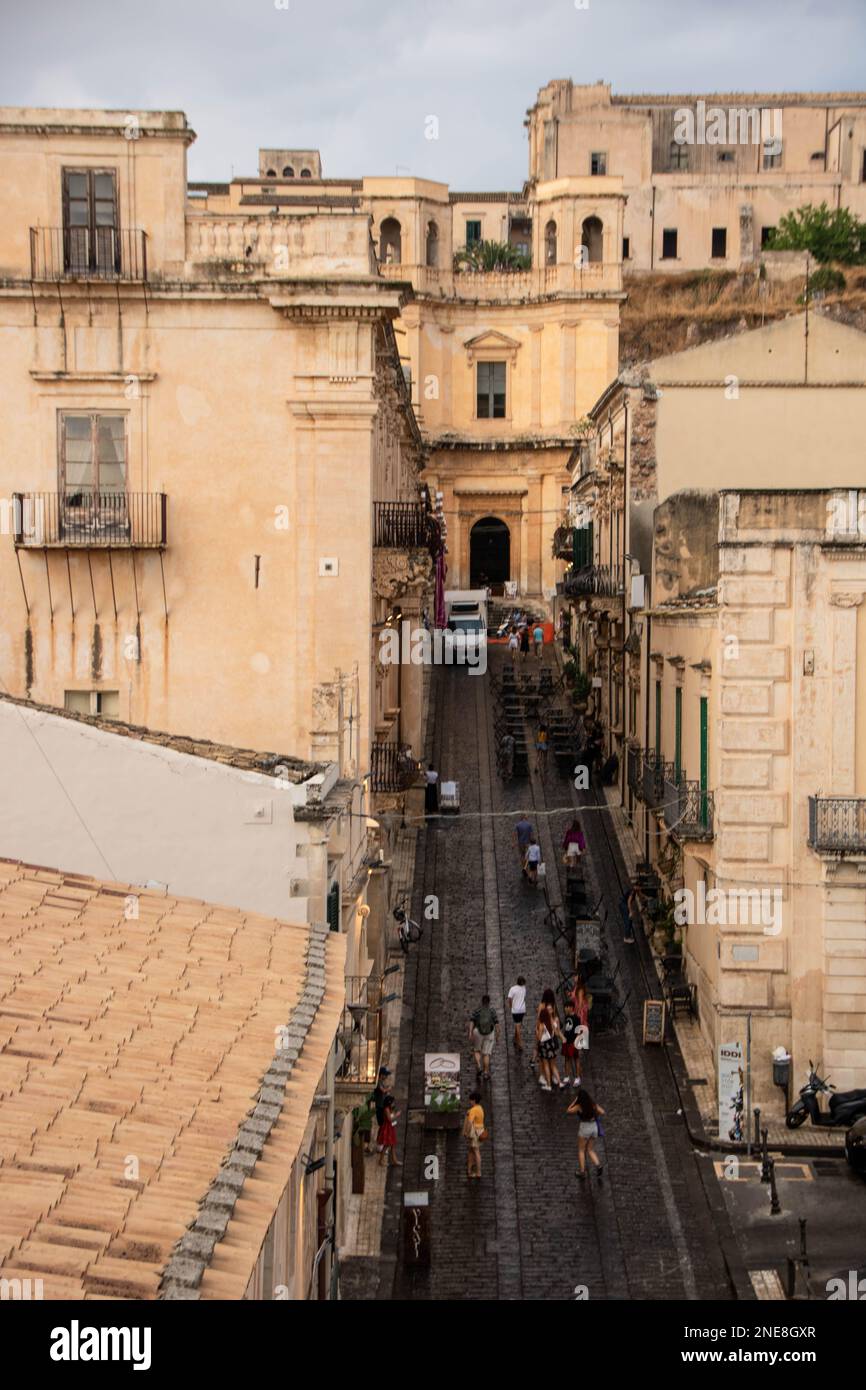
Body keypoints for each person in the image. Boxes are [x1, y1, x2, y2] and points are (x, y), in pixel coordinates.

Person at [567, 1087, 605, 1178]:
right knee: (590, 1149)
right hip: (594, 1127)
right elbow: (602, 1112)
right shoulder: (593, 1104)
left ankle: (582, 1172)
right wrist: (595, 1114)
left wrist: (575, 1100)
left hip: (584, 1128)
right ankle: (598, 1165)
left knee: (581, 1150)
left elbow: (568, 1110)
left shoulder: (579, 1106)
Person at [469, 994, 500, 1081]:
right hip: (489, 1034)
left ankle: (479, 1066)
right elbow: (497, 1024)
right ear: (489, 1002)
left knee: (477, 1050)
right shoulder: (492, 1011)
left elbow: (471, 1021)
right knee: (486, 1054)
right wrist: (497, 1036)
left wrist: (470, 1032)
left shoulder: (477, 1010)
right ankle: (486, 1073)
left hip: (478, 1032)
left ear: (482, 1001)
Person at [536, 998, 565, 1091]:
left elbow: (539, 1038)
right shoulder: (552, 1022)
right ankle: (560, 1082)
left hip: (544, 1046)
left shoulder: (541, 1025)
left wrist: (537, 1032)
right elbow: (556, 1033)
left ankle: (548, 1085)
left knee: (546, 1065)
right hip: (551, 1044)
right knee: (553, 1065)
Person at [560, 999, 583, 1086]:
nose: (565, 1009)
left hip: (573, 1042)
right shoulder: (567, 1017)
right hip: (567, 1041)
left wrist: (575, 1042)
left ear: (571, 1008)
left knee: (576, 1059)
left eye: (567, 1007)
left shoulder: (576, 1018)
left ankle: (577, 1078)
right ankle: (567, 1077)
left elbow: (579, 1032)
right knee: (567, 1059)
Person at [463, 1090, 485, 1180]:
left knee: (476, 1151)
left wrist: (466, 1133)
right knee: (472, 1150)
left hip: (474, 1132)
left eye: (471, 1100)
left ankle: (479, 1172)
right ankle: (469, 1170)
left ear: (474, 1100)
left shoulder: (473, 1110)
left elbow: (469, 1123)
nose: (470, 1102)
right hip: (480, 1131)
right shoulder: (480, 1108)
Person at [377, 1093, 402, 1167]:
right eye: (393, 1102)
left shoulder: (389, 1109)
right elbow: (390, 1119)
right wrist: (396, 1115)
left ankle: (395, 1160)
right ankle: (381, 1161)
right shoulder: (386, 1109)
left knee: (392, 1145)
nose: (394, 1103)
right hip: (387, 1128)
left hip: (390, 1127)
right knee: (386, 1145)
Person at [506, 976, 527, 1052]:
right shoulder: (524, 989)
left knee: (517, 1026)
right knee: (518, 1025)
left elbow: (510, 999)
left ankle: (520, 1043)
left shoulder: (512, 989)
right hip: (522, 1010)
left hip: (516, 1010)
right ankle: (515, 1039)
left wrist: (511, 1006)